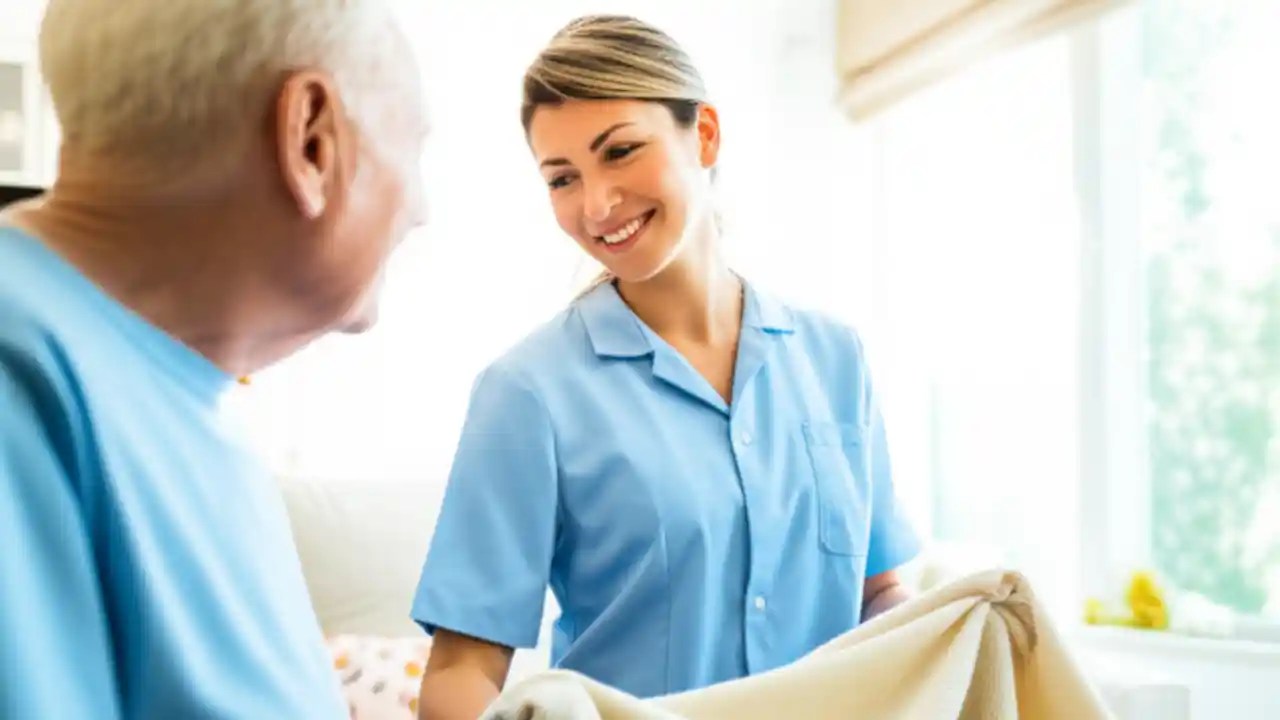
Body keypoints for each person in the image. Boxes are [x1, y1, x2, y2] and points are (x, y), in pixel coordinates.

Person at [413, 14, 920, 719]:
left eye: (620, 151)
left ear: (704, 135)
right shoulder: (528, 393)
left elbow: (879, 596)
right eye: (562, 178)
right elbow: (463, 668)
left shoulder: (836, 358)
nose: (595, 205)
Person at [0, 0, 427, 717]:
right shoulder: (24, 386)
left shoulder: (179, 390)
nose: (422, 207)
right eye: (413, 147)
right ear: (312, 140)